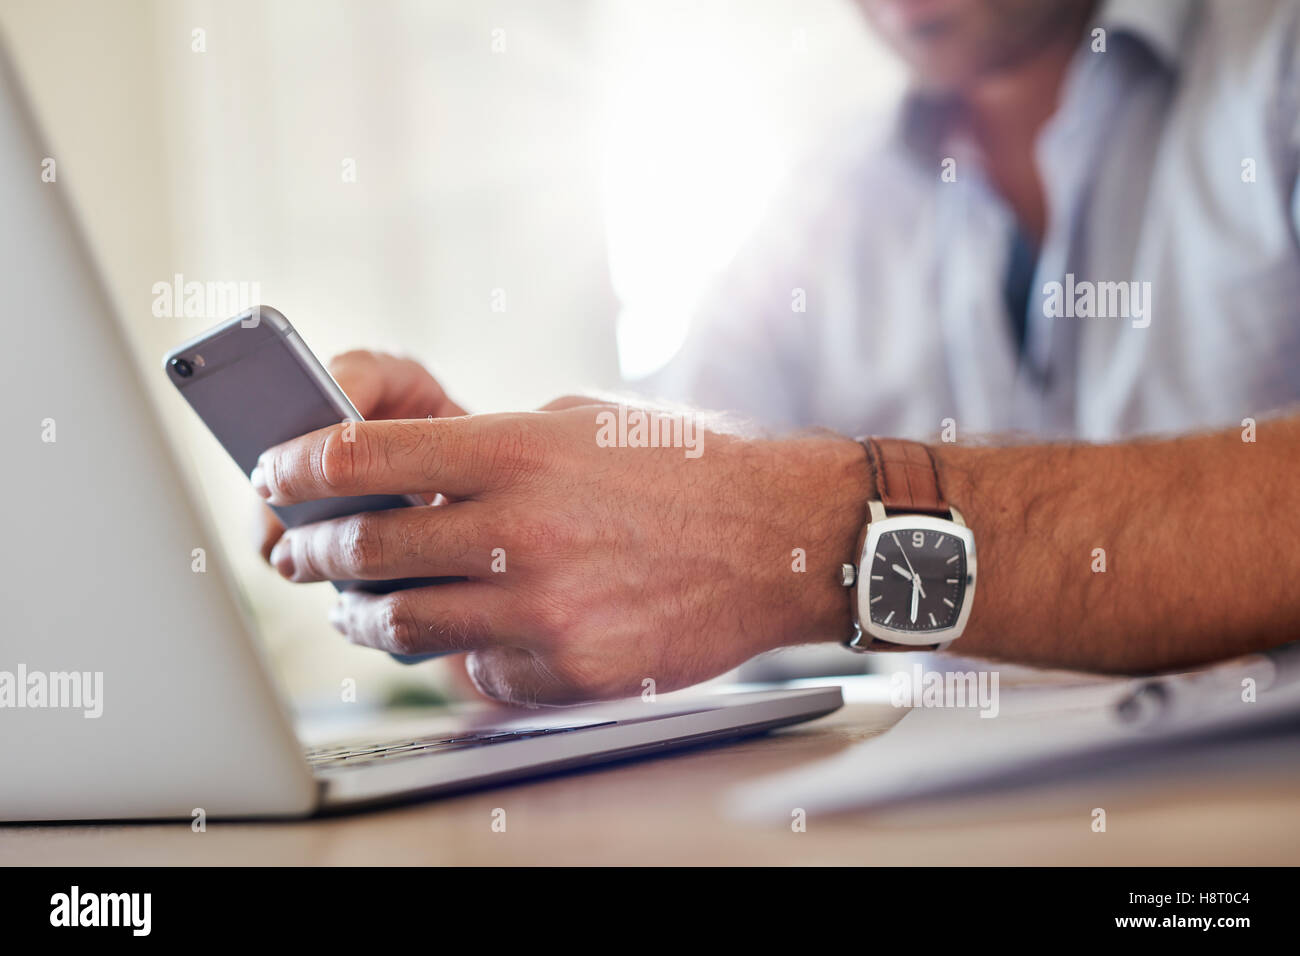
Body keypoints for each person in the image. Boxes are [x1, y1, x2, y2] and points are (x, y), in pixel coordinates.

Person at [257, 0, 1300, 705]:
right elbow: (663, 509)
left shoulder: (1273, 65)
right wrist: (484, 536)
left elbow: (742, 519)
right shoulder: (824, 205)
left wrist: (810, 527)